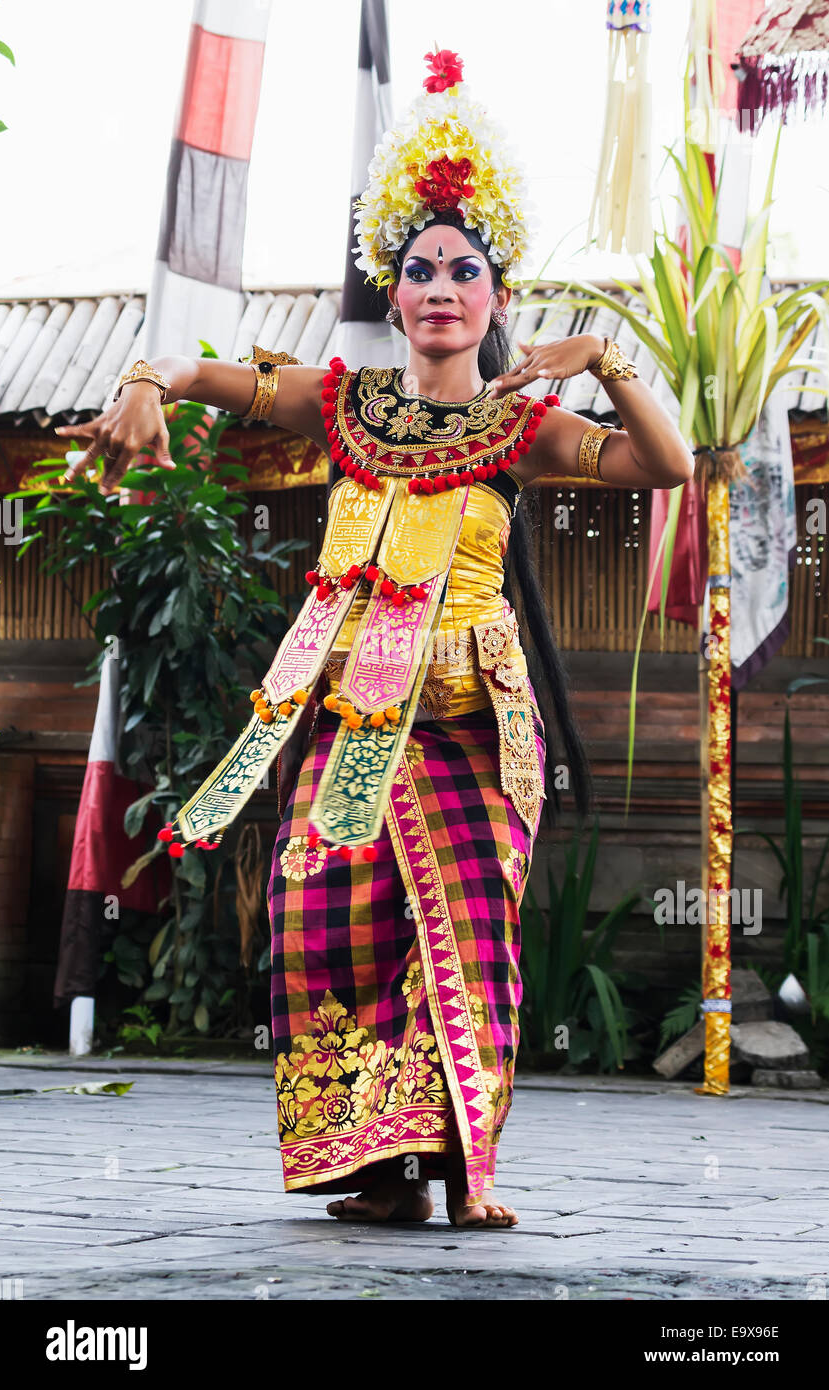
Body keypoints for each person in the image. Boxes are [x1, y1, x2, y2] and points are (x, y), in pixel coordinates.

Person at [56, 50, 693, 1229]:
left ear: (495, 296)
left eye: (464, 268)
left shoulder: (524, 424)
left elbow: (662, 465)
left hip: (466, 720)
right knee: (321, 911)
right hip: (351, 718)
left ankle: (458, 1169)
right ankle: (383, 1170)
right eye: (417, 269)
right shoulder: (342, 403)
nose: (440, 284)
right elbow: (216, 375)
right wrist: (146, 377)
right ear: (389, 296)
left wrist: (604, 358)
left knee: (457, 930)